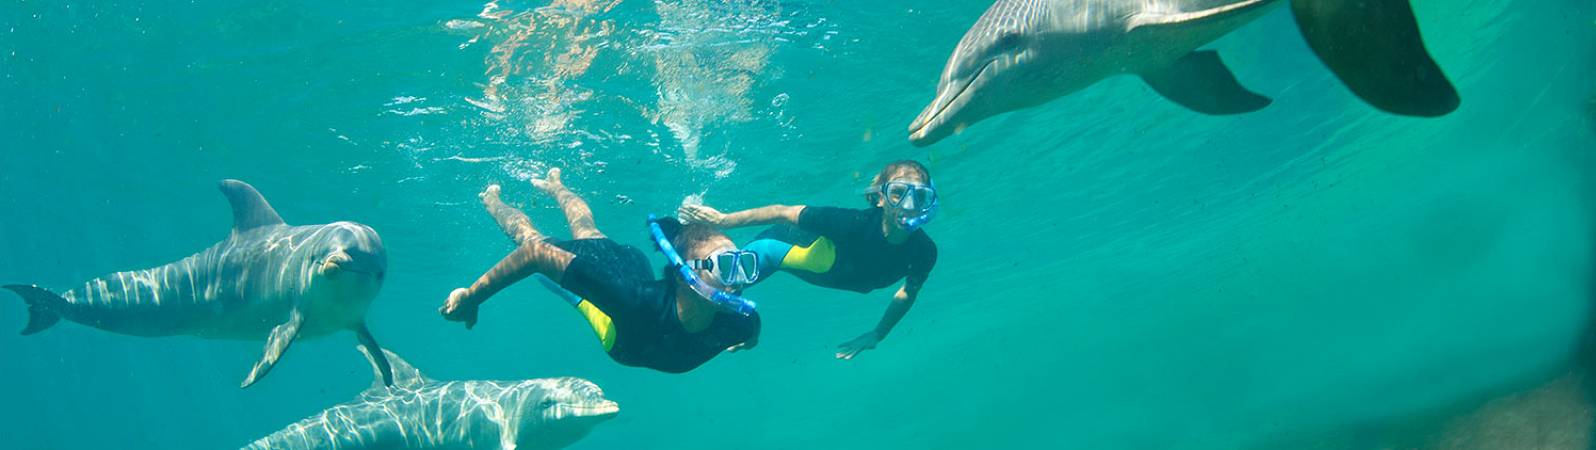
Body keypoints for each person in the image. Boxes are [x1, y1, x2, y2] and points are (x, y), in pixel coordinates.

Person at [440, 168, 760, 374]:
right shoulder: (634, 303)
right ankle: (492, 201)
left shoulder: (741, 322)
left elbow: (752, 332)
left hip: (631, 267)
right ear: (683, 274)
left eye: (743, 265)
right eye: (724, 267)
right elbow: (534, 255)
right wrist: (472, 296)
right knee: (530, 238)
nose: (736, 280)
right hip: (618, 301)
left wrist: (745, 341)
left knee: (587, 229)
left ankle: (555, 185)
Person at [677, 160, 938, 360]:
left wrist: (878, 334)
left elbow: (908, 292)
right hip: (779, 247)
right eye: (898, 193)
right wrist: (723, 220)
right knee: (716, 283)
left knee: (725, 302)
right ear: (880, 198)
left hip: (826, 269)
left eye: (920, 196)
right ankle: (682, 247)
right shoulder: (851, 224)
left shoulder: (924, 252)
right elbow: (783, 212)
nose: (909, 204)